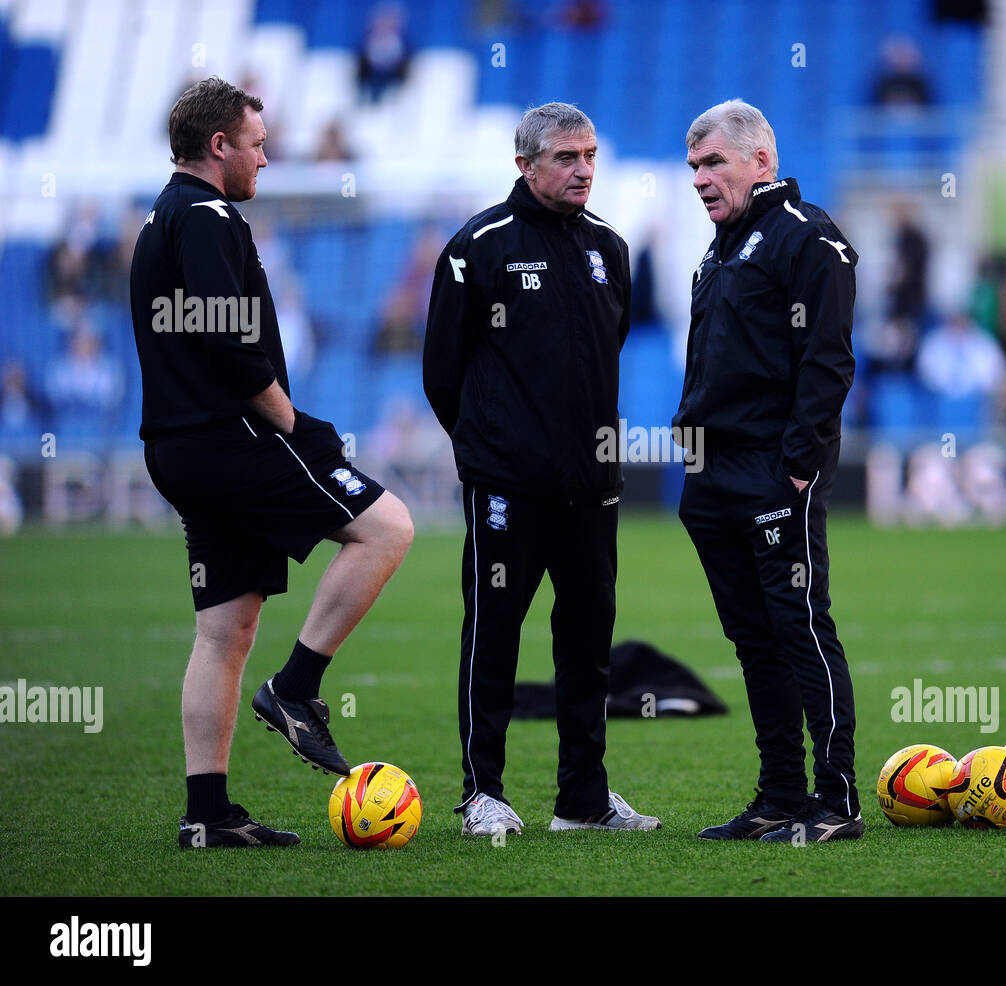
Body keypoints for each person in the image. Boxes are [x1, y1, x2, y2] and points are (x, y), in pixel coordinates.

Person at [129, 77, 413, 849]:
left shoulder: (164, 213)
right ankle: (296, 690)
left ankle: (207, 814)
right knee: (388, 527)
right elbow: (228, 341)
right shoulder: (210, 216)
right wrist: (297, 426)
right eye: (256, 144)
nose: (267, 157)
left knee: (225, 629)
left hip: (178, 447)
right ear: (218, 146)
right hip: (231, 440)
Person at [423, 102, 659, 837]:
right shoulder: (479, 246)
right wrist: (492, 452)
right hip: (508, 488)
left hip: (592, 487)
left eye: (589, 154)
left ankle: (582, 800)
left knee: (588, 642)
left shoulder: (610, 249)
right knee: (494, 634)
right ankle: (480, 792)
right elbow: (443, 372)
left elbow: (604, 350)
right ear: (525, 165)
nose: (583, 168)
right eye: (566, 157)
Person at [675, 99, 861, 843]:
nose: (699, 179)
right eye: (693, 167)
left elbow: (829, 360)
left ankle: (836, 799)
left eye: (713, 162)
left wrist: (796, 467)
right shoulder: (721, 248)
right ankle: (781, 794)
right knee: (753, 640)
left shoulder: (809, 239)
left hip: (769, 473)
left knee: (800, 628)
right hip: (711, 478)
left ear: (761, 162)